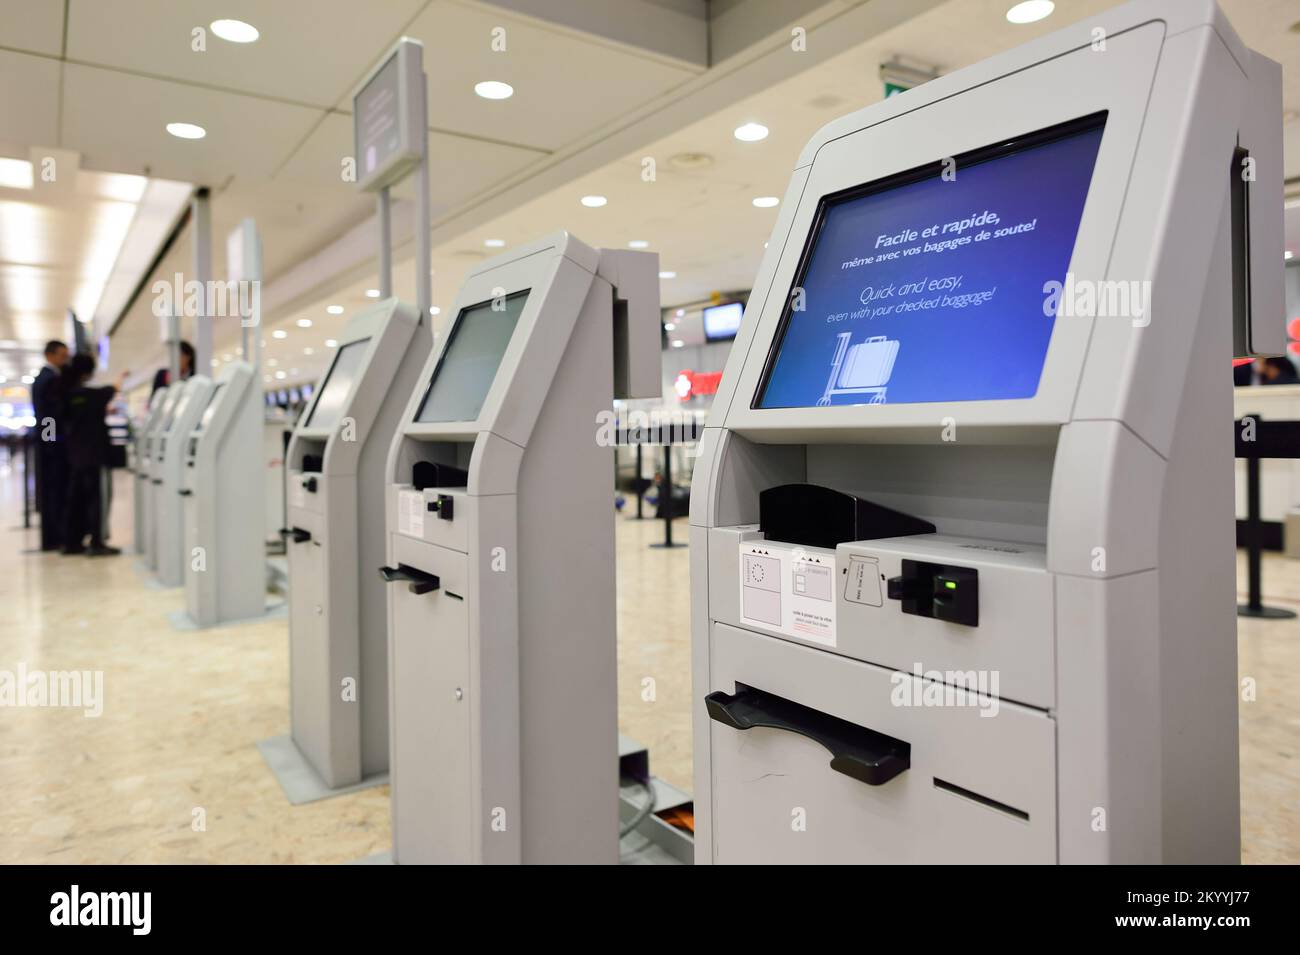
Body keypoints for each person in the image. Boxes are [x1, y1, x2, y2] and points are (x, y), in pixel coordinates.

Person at [60, 354, 126, 556]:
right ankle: (97, 542)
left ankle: (72, 542)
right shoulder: (94, 395)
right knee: (97, 500)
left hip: (75, 456)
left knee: (76, 500)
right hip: (96, 456)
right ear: (89, 372)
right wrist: (122, 376)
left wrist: (48, 442)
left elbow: (54, 421)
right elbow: (114, 388)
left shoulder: (67, 395)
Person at [30, 340, 69, 551]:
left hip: (49, 444)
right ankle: (54, 537)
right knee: (53, 491)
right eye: (63, 355)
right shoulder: (47, 379)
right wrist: (51, 442)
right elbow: (47, 416)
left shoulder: (48, 378)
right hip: (50, 448)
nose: (65, 359)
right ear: (50, 355)